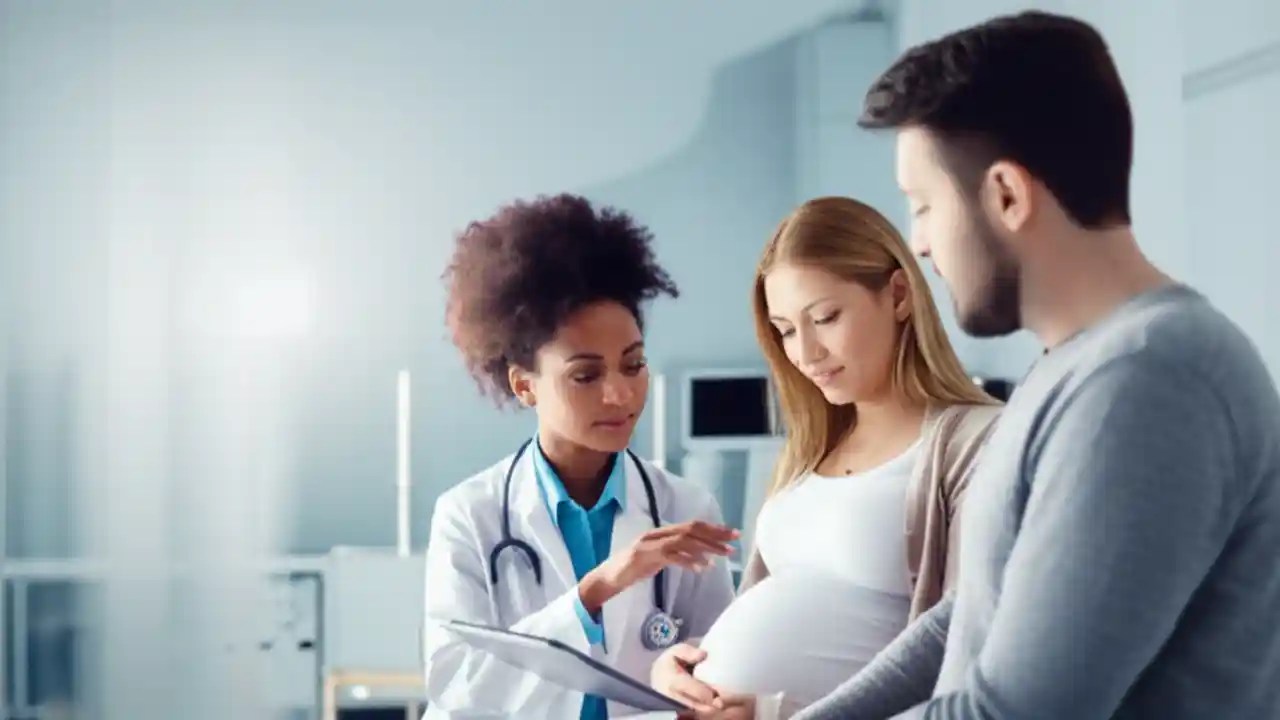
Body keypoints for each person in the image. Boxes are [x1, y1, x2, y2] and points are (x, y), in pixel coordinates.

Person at [794, 11, 1280, 720]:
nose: (919, 244)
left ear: (1008, 196)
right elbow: (968, 616)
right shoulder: (1074, 367)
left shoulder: (1151, 379)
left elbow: (1018, 712)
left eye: (924, 206)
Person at [649, 196, 1001, 718]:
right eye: (787, 330)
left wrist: (777, 713)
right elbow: (769, 611)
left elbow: (970, 643)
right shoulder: (810, 450)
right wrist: (681, 668)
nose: (806, 353)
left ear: (899, 295)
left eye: (826, 317)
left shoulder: (976, 442)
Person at [422, 194, 738, 719]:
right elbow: (457, 688)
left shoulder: (686, 509)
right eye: (586, 375)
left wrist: (706, 690)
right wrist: (599, 588)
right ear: (525, 385)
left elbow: (718, 671)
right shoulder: (469, 515)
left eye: (633, 365)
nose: (620, 394)